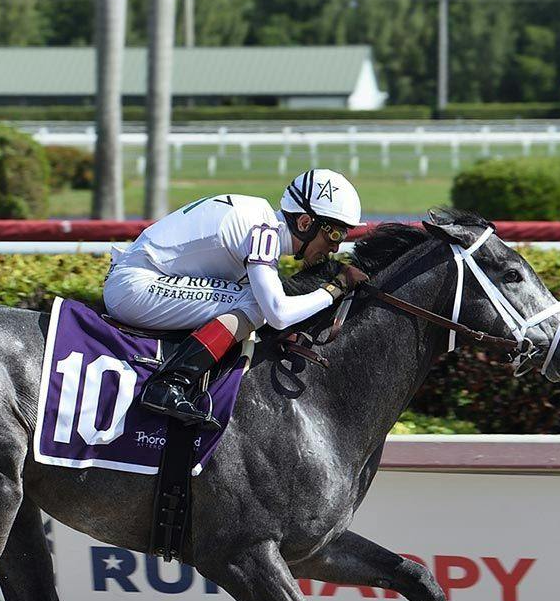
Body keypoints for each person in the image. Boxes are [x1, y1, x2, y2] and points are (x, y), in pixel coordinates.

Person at [103, 168, 366, 426]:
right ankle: (169, 383)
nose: (336, 245)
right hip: (135, 286)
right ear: (305, 223)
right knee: (254, 302)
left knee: (253, 298)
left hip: (140, 279)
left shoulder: (259, 219)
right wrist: (334, 289)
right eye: (334, 232)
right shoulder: (263, 231)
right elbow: (278, 313)